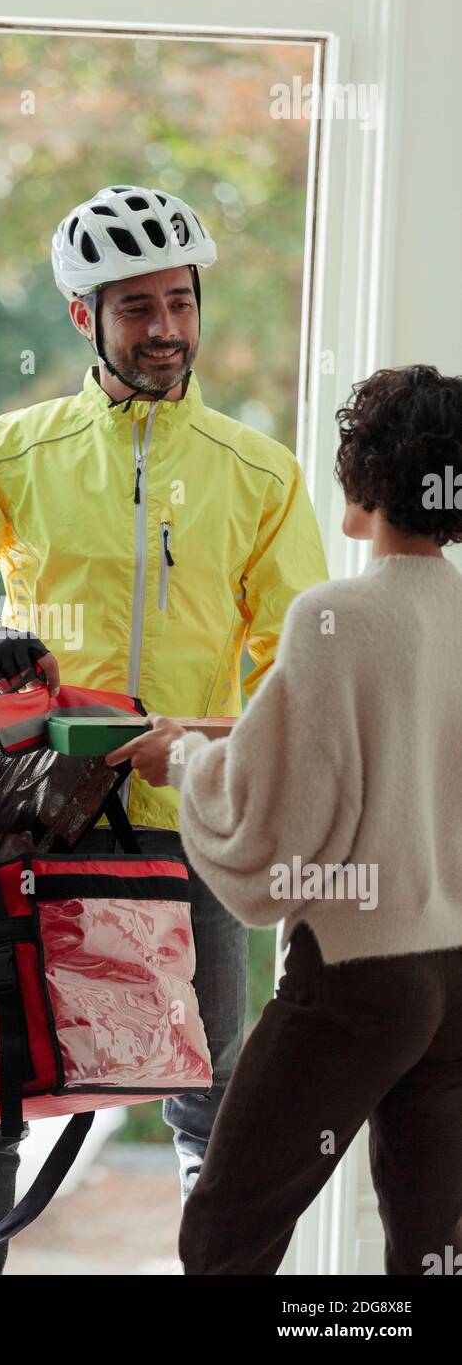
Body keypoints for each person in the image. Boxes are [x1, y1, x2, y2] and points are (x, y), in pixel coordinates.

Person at [0, 183, 329, 1274]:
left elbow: (296, 670)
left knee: (208, 1097)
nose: (165, 329)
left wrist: (237, 767)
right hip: (38, 822)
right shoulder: (6, 455)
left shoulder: (255, 474)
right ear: (81, 317)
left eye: (178, 301)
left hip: (194, 828)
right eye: (135, 308)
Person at [107, 364, 462, 1275]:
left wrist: (180, 758)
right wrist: (225, 731)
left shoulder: (335, 616)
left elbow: (269, 819)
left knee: (226, 1231)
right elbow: (383, 743)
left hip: (358, 979)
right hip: (454, 980)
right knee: (434, 1248)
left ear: (365, 481)